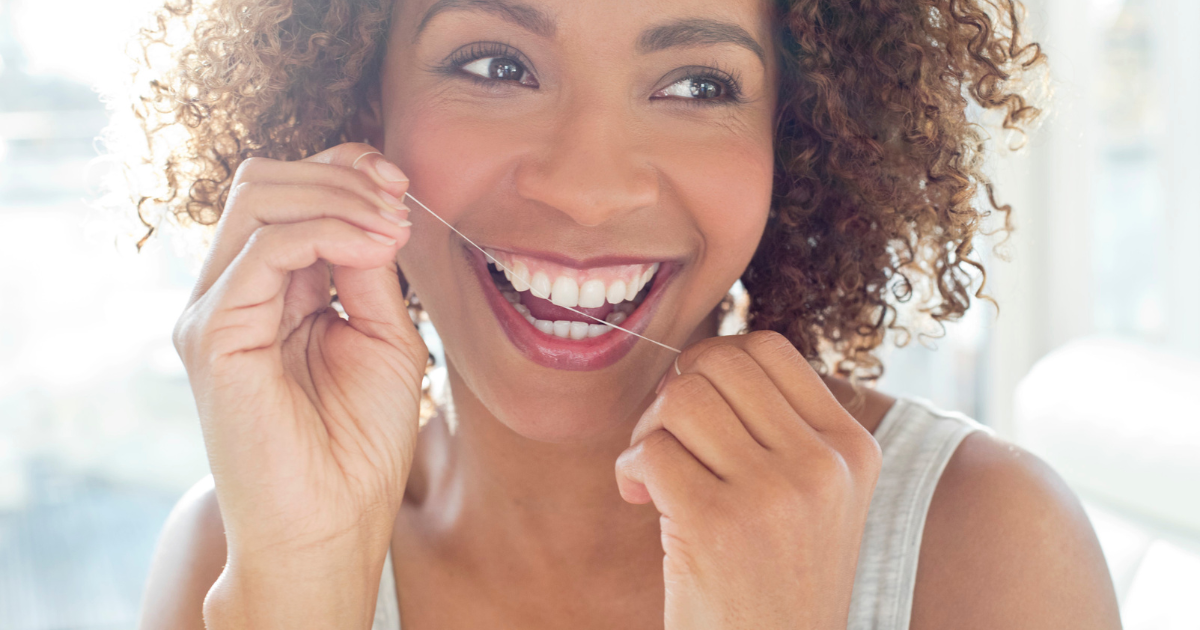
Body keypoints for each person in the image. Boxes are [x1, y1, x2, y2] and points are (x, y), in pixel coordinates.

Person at [126, 0, 1121, 628]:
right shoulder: (241, 553)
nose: (587, 189)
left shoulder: (988, 548)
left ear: (800, 135)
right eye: (496, 64)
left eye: (695, 84)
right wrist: (303, 593)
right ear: (355, 102)